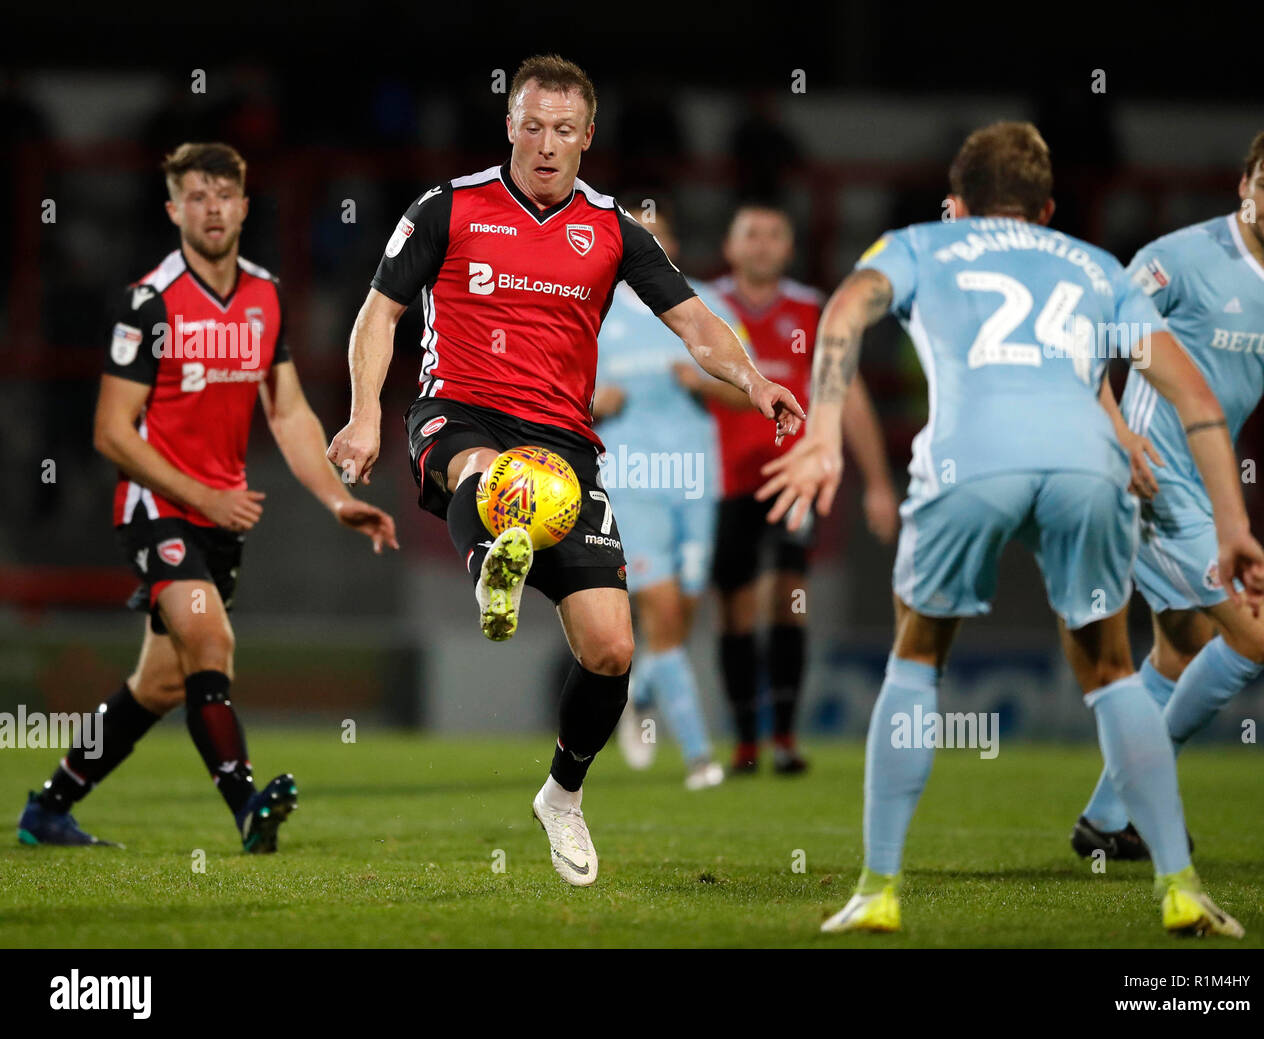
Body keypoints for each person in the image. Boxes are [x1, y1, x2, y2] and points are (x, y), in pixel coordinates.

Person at [759, 122, 1264, 937]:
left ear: (956, 203)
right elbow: (1198, 400)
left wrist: (822, 431)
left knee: (918, 655)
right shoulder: (1098, 266)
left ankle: (879, 889)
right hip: (1088, 463)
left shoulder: (921, 241)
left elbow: (848, 309)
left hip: (971, 459)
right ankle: (1180, 884)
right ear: (1049, 207)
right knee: (1110, 669)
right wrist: (1234, 526)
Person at [326, 55, 803, 887]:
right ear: (509, 126)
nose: (547, 145)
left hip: (565, 448)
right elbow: (380, 314)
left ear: (588, 136)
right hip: (458, 411)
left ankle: (562, 792)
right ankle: (493, 566)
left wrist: (756, 381)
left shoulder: (613, 230)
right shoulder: (448, 207)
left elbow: (695, 322)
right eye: (532, 126)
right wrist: (365, 411)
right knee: (483, 469)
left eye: (564, 130)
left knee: (615, 648)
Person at [18, 142, 398, 852]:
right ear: (173, 209)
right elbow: (110, 432)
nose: (212, 207)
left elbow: (288, 413)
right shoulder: (148, 302)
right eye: (196, 195)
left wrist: (336, 498)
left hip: (223, 516)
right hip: (156, 506)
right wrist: (200, 493)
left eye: (224, 194)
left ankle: (48, 808)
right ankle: (249, 808)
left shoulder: (264, 295)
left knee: (160, 684)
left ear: (246, 206)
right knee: (211, 638)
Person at [1072, 124, 1264, 860]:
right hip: (1150, 483)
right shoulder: (1179, 259)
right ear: (1243, 184)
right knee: (1257, 632)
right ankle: (1145, 785)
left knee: (1182, 647)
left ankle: (1108, 818)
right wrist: (1114, 432)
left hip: (1210, 483)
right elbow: (1087, 338)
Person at [700, 205, 895, 775]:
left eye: (774, 235)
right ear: (730, 248)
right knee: (734, 609)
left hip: (795, 477)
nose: (762, 245)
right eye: (750, 235)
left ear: (789, 249)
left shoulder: (813, 310)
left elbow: (848, 392)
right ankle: (744, 742)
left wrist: (878, 482)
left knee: (790, 594)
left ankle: (783, 737)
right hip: (722, 479)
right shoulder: (703, 307)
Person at [592, 203, 737, 791]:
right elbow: (562, 397)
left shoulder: (705, 306)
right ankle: (701, 758)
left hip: (696, 479)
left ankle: (641, 695)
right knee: (663, 615)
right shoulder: (593, 313)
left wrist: (704, 381)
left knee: (685, 617)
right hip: (632, 481)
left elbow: (747, 393)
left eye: (659, 237)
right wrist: (598, 403)